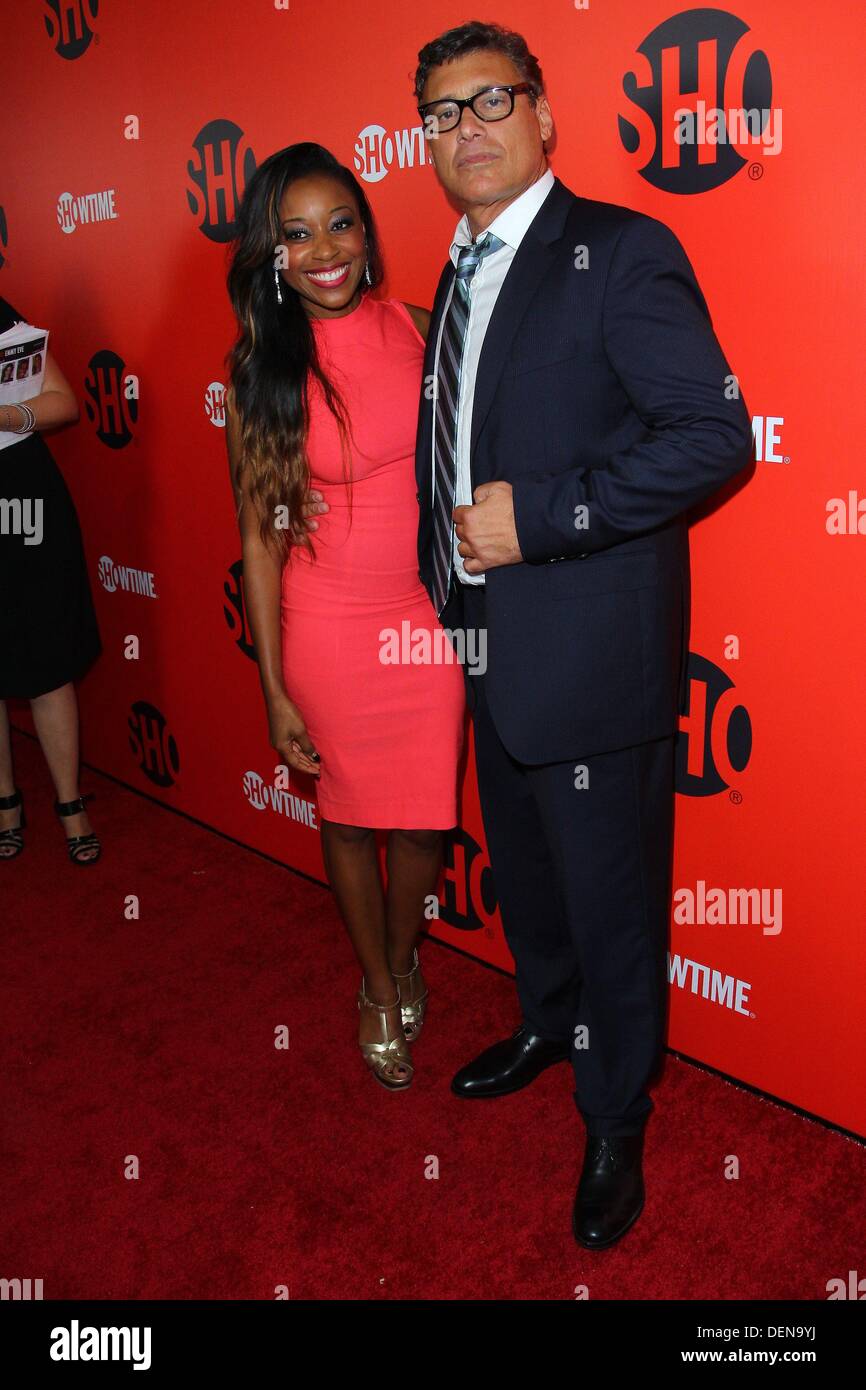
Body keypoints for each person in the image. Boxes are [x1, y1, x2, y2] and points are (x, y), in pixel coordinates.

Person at [303, 20, 752, 1244]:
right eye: (441, 113)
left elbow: (715, 438)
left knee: (610, 898)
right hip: (483, 647)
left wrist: (543, 517)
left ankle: (616, 1113)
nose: (466, 129)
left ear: (544, 115)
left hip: (592, 655)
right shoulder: (455, 270)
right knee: (536, 878)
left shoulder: (620, 250)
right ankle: (549, 1021)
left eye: (490, 100)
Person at [224, 144, 465, 1091]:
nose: (324, 249)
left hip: (421, 619)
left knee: (422, 827)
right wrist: (274, 686)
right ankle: (375, 985)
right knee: (353, 822)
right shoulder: (262, 371)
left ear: (366, 232)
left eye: (340, 224)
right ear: (270, 255)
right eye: (296, 234)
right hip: (326, 627)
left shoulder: (415, 328)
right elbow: (259, 540)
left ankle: (406, 954)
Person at [0, 296, 102, 865]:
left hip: (24, 501)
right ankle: (5, 803)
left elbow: (66, 403)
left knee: (46, 656)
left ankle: (70, 805)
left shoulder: (3, 320)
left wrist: (7, 416)